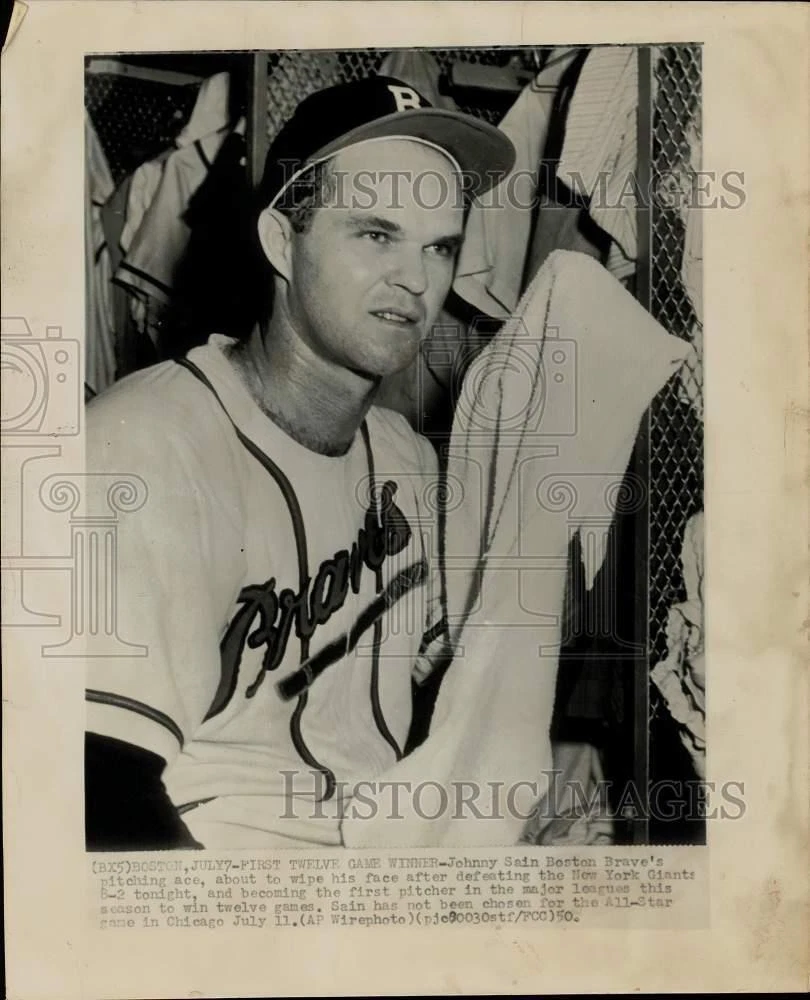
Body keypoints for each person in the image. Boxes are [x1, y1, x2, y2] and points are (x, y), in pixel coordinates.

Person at [84, 76, 515, 850]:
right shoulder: (143, 444)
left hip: (375, 875)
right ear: (283, 240)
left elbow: (429, 691)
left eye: (440, 246)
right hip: (221, 885)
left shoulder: (408, 461)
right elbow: (96, 782)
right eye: (376, 234)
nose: (417, 281)